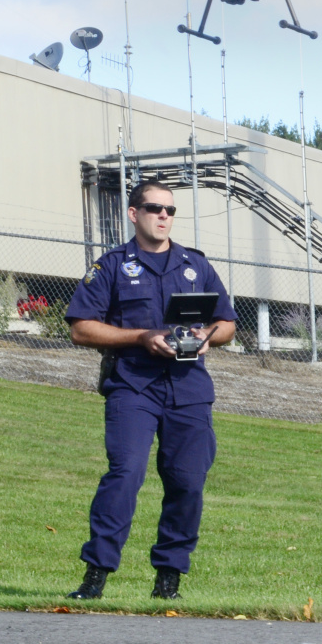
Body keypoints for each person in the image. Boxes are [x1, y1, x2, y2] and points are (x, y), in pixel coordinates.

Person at [64, 180, 237, 600]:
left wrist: (206, 335)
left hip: (189, 387)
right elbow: (81, 328)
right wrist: (141, 336)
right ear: (133, 213)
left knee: (188, 482)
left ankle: (168, 580)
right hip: (133, 386)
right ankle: (96, 576)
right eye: (155, 208)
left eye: (170, 211)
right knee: (125, 474)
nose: (164, 216)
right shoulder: (111, 266)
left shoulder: (195, 265)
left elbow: (228, 324)